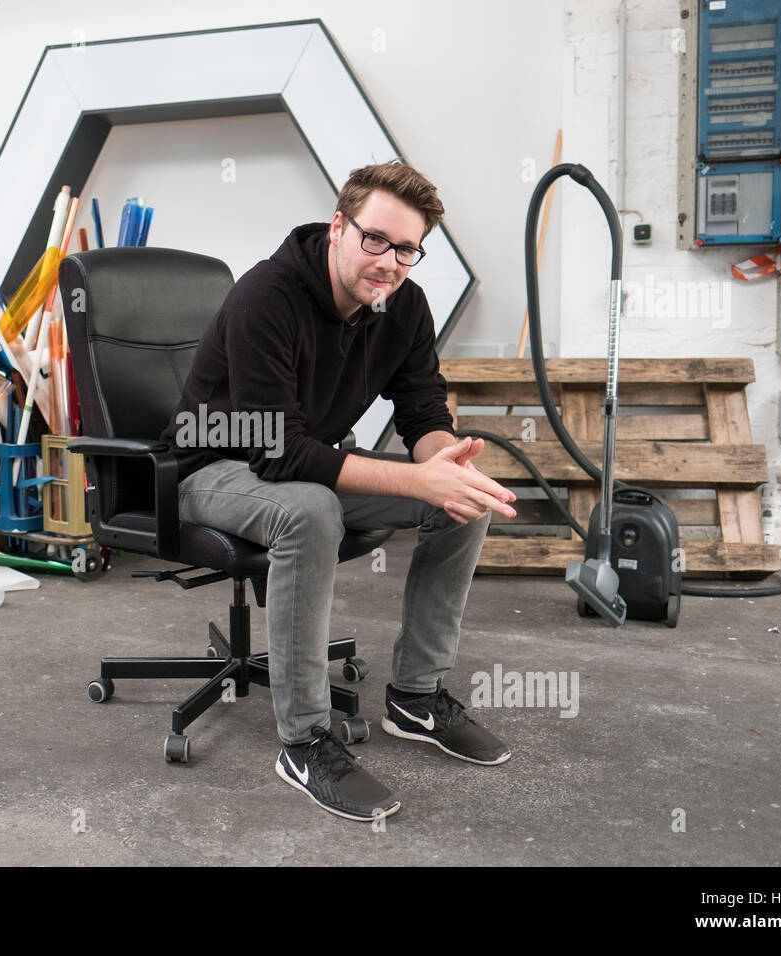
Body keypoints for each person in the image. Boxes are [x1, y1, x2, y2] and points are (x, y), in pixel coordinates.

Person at [158, 161, 518, 822]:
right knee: (310, 510)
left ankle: (416, 696)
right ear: (338, 227)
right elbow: (281, 453)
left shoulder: (402, 305)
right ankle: (303, 742)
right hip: (208, 469)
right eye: (374, 239)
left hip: (301, 460)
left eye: (406, 248)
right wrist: (418, 477)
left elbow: (421, 413)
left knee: (463, 501)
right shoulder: (268, 296)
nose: (388, 261)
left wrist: (448, 464)